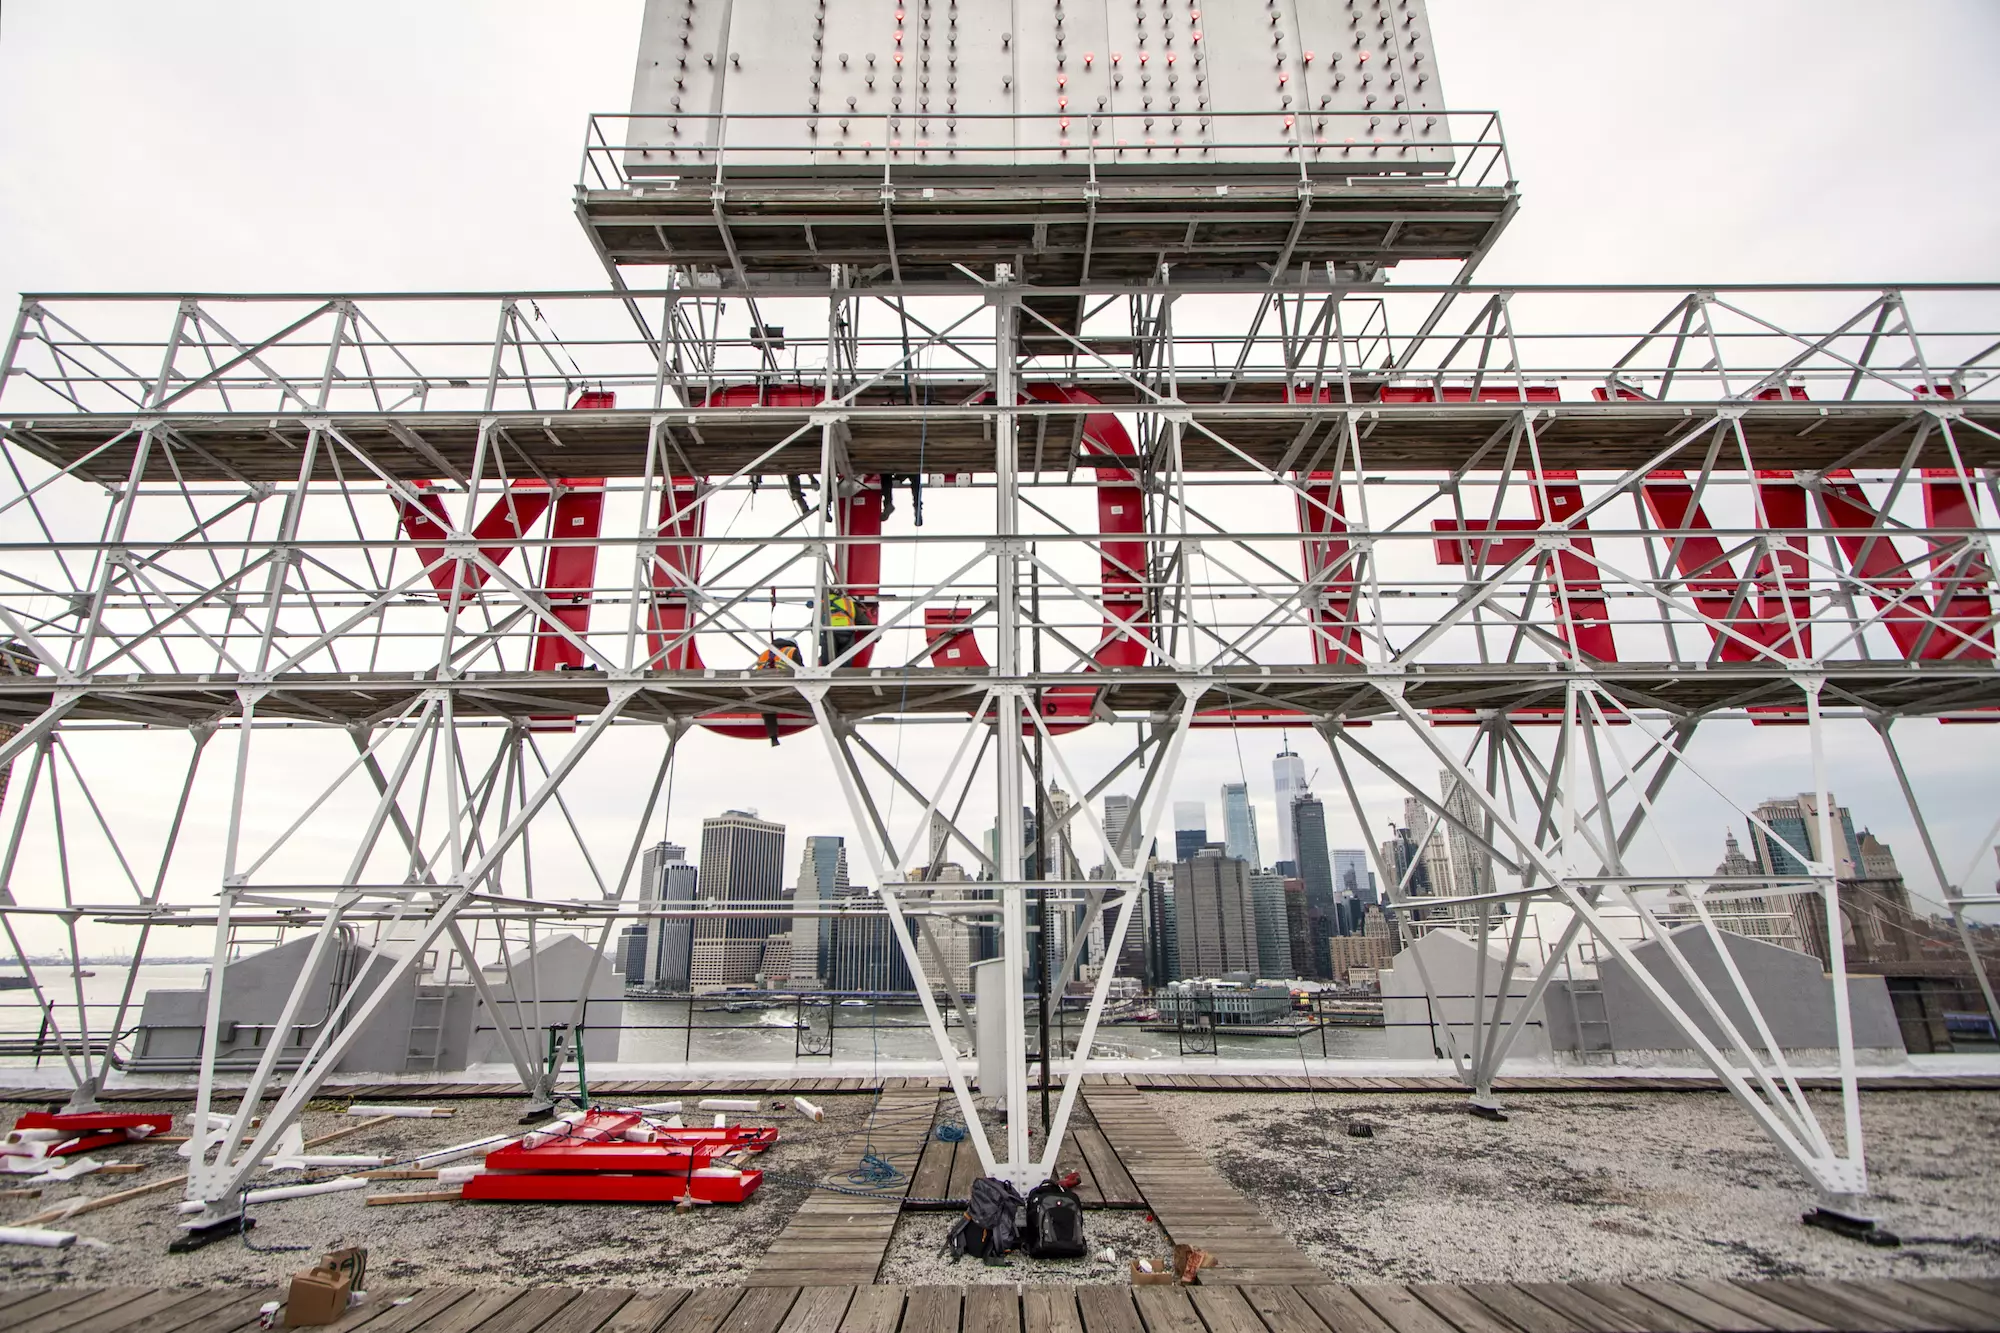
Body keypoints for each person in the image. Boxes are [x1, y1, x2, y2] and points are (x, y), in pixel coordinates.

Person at [752, 637, 801, 745]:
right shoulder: (792, 651)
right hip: (785, 684)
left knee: (767, 707)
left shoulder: (764, 653)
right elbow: (801, 670)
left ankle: (773, 737)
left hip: (763, 687)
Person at [819, 592, 870, 667]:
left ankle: (827, 671)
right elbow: (864, 622)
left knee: (827, 659)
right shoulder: (848, 602)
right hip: (846, 631)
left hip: (829, 631)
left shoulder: (821, 603)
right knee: (845, 659)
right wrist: (876, 634)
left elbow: (814, 624)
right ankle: (842, 672)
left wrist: (819, 640)